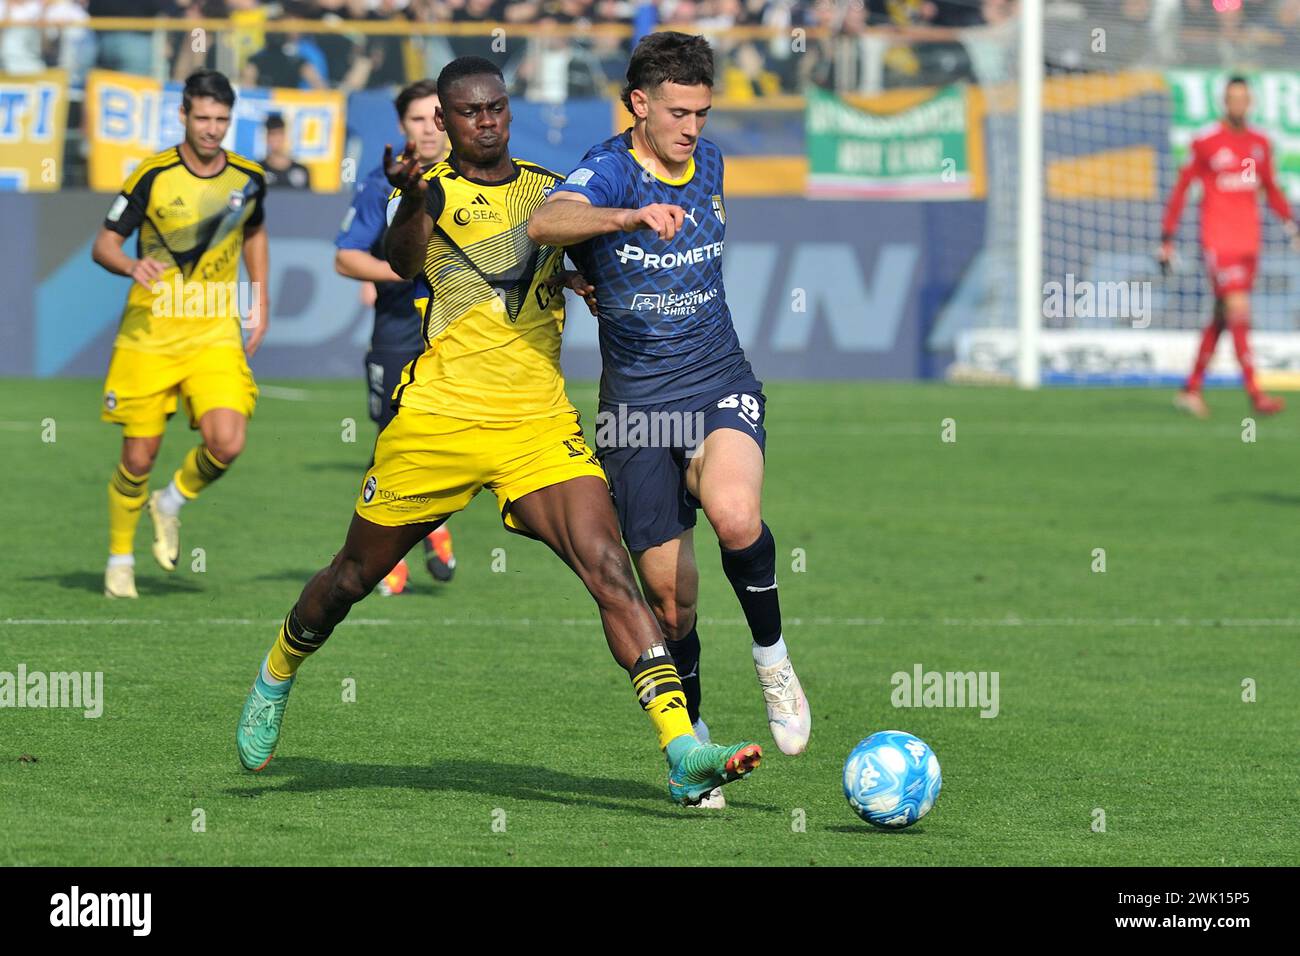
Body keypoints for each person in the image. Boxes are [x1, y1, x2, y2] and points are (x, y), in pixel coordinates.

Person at [235, 56, 763, 807]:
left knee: (609, 567)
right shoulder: (431, 190)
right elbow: (402, 260)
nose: (488, 121)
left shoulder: (551, 189)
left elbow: (593, 254)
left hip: (536, 424)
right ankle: (280, 668)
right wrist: (414, 199)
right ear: (444, 122)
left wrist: (588, 281)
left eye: (498, 108)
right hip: (439, 423)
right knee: (351, 577)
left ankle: (682, 747)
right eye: (471, 112)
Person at [528, 31, 811, 810]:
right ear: (639, 103)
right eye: (679, 112)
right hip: (636, 412)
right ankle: (696, 745)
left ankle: (773, 658)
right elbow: (545, 225)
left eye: (703, 111)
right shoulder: (609, 168)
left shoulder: (711, 164)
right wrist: (620, 222)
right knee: (672, 600)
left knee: (734, 511)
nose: (693, 127)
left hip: (719, 379)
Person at [91, 70, 268, 599]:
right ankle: (120, 558)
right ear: (184, 116)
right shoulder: (152, 174)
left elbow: (255, 230)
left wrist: (258, 295)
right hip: (151, 332)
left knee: (228, 441)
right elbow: (103, 245)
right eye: (203, 118)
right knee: (138, 457)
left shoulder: (249, 177)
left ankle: (171, 501)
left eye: (221, 120)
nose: (212, 129)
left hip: (215, 326)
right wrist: (130, 267)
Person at [334, 79, 455, 593]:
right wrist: (401, 270)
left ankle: (432, 525)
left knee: (447, 440)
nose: (427, 130)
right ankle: (386, 553)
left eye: (436, 118)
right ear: (401, 126)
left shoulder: (473, 180)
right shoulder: (380, 184)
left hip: (455, 332)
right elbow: (346, 256)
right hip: (398, 330)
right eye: (415, 120)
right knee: (391, 443)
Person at [1161, 75, 1297, 419]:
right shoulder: (1207, 142)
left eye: (1242, 98)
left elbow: (1271, 189)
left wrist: (1292, 225)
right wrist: (1167, 237)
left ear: (1249, 103)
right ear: (1225, 102)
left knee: (1222, 318)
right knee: (1239, 312)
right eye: (1232, 98)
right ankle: (1255, 394)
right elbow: (1182, 189)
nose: (1237, 104)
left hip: (1249, 243)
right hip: (1218, 242)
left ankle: (1191, 388)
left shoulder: (1258, 144)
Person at [261, 114, 313, 191]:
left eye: (280, 134)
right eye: (272, 134)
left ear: (286, 136)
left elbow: (309, 200)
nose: (276, 139)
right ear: (266, 138)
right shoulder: (258, 171)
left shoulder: (301, 171)